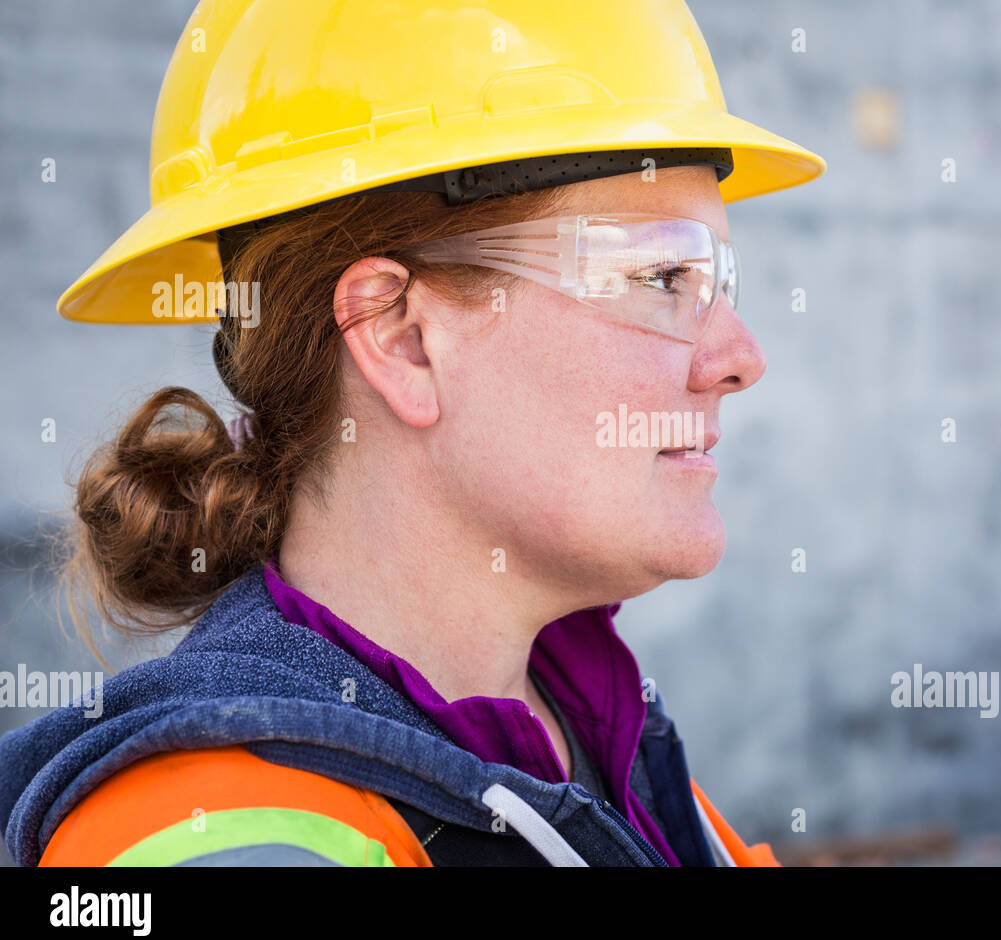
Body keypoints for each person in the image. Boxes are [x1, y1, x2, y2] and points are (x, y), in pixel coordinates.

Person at [0, 0, 824, 866]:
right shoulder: (219, 839)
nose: (740, 356)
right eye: (662, 275)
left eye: (721, 280)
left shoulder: (611, 763)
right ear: (401, 339)